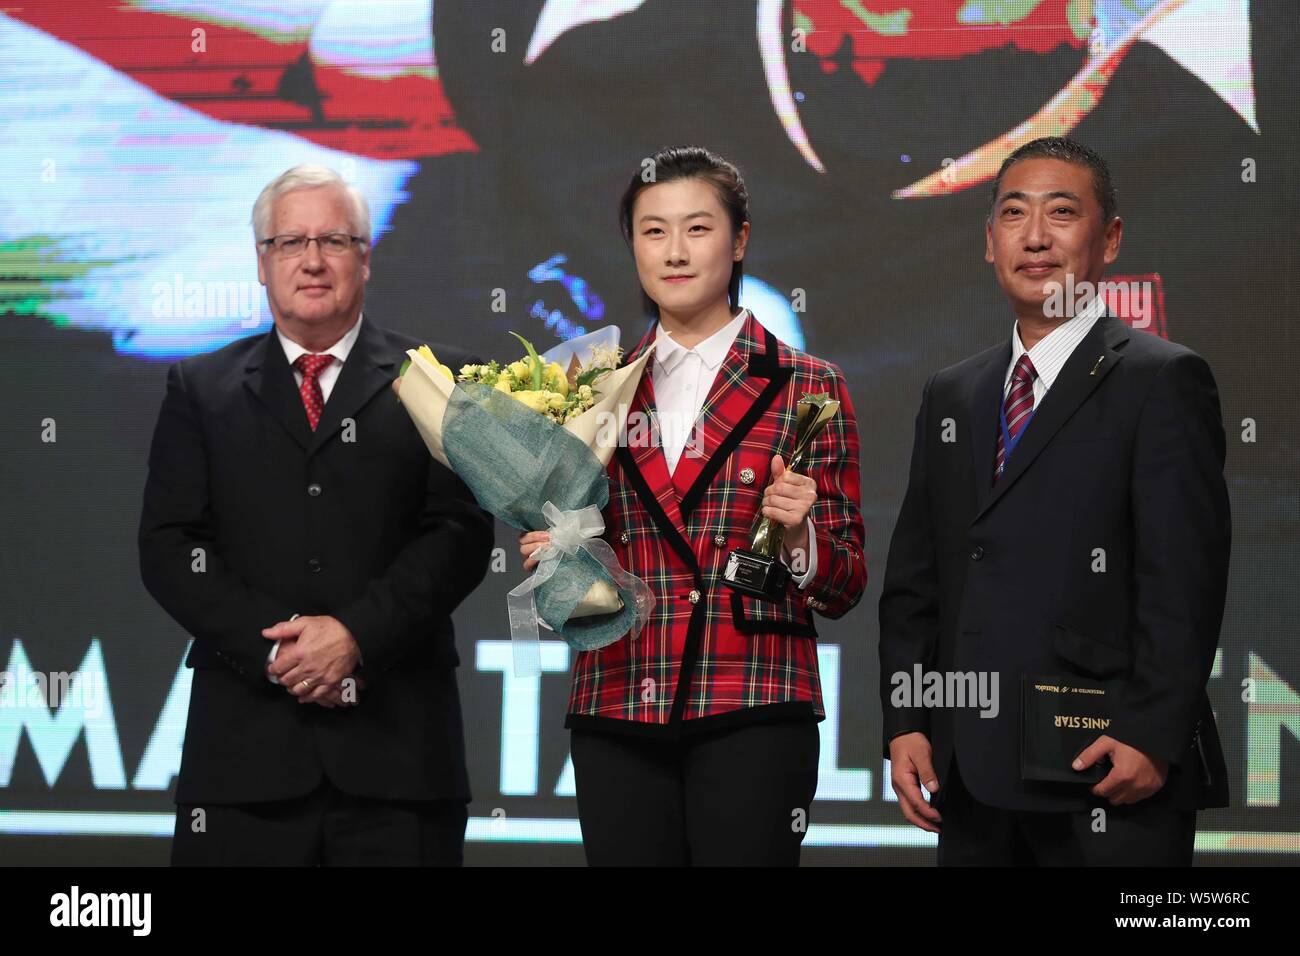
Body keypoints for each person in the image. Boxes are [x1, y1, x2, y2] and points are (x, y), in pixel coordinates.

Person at [878, 137, 1230, 866]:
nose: (1035, 237)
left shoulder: (1162, 380)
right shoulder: (955, 392)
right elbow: (918, 580)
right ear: (989, 241)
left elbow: (1185, 580)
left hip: (1107, 772)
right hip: (969, 774)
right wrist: (907, 720)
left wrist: (1150, 734)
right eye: (1014, 214)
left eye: (1061, 212)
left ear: (1110, 238)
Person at [521, 146, 866, 865]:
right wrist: (557, 558)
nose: (674, 251)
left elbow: (844, 583)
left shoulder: (809, 384)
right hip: (618, 700)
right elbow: (570, 579)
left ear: (739, 240)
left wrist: (800, 536)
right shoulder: (587, 385)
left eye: (698, 229)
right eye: (653, 231)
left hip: (753, 701)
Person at [139, 164, 493, 865]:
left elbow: (458, 535)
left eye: (333, 239)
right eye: (288, 241)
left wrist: (356, 634)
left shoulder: (437, 381)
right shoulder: (200, 388)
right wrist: (279, 653)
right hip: (243, 762)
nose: (311, 259)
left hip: (398, 763)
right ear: (261, 262)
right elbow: (170, 545)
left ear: (366, 256)